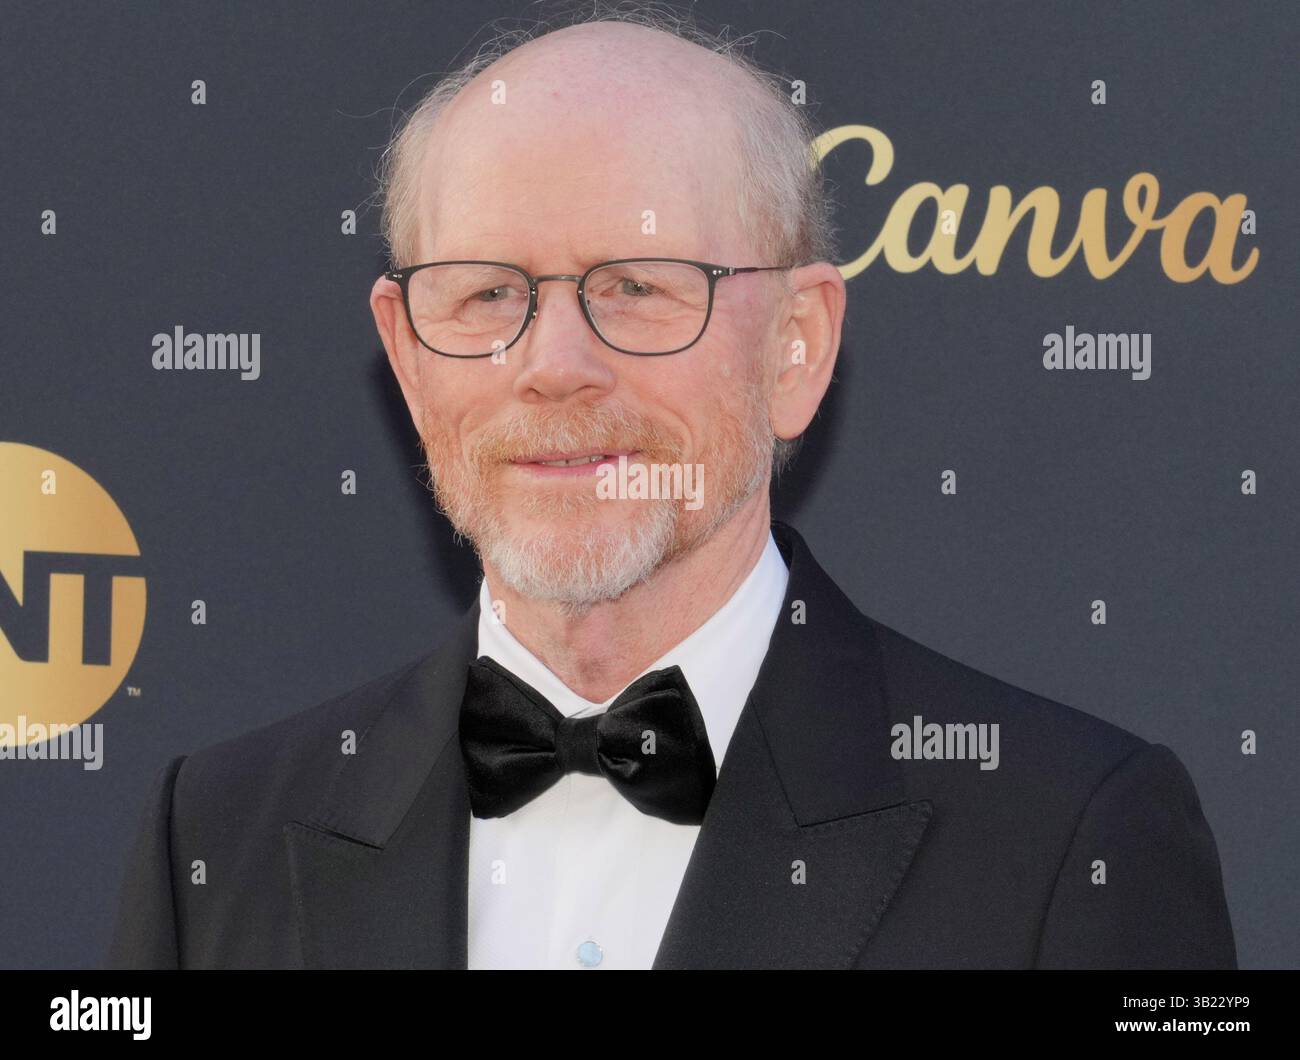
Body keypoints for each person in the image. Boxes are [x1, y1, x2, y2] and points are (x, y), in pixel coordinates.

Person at [105, 9, 1236, 970]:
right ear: (406, 357)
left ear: (795, 345)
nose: (552, 363)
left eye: (638, 287)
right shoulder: (213, 839)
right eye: (487, 294)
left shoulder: (1073, 834)